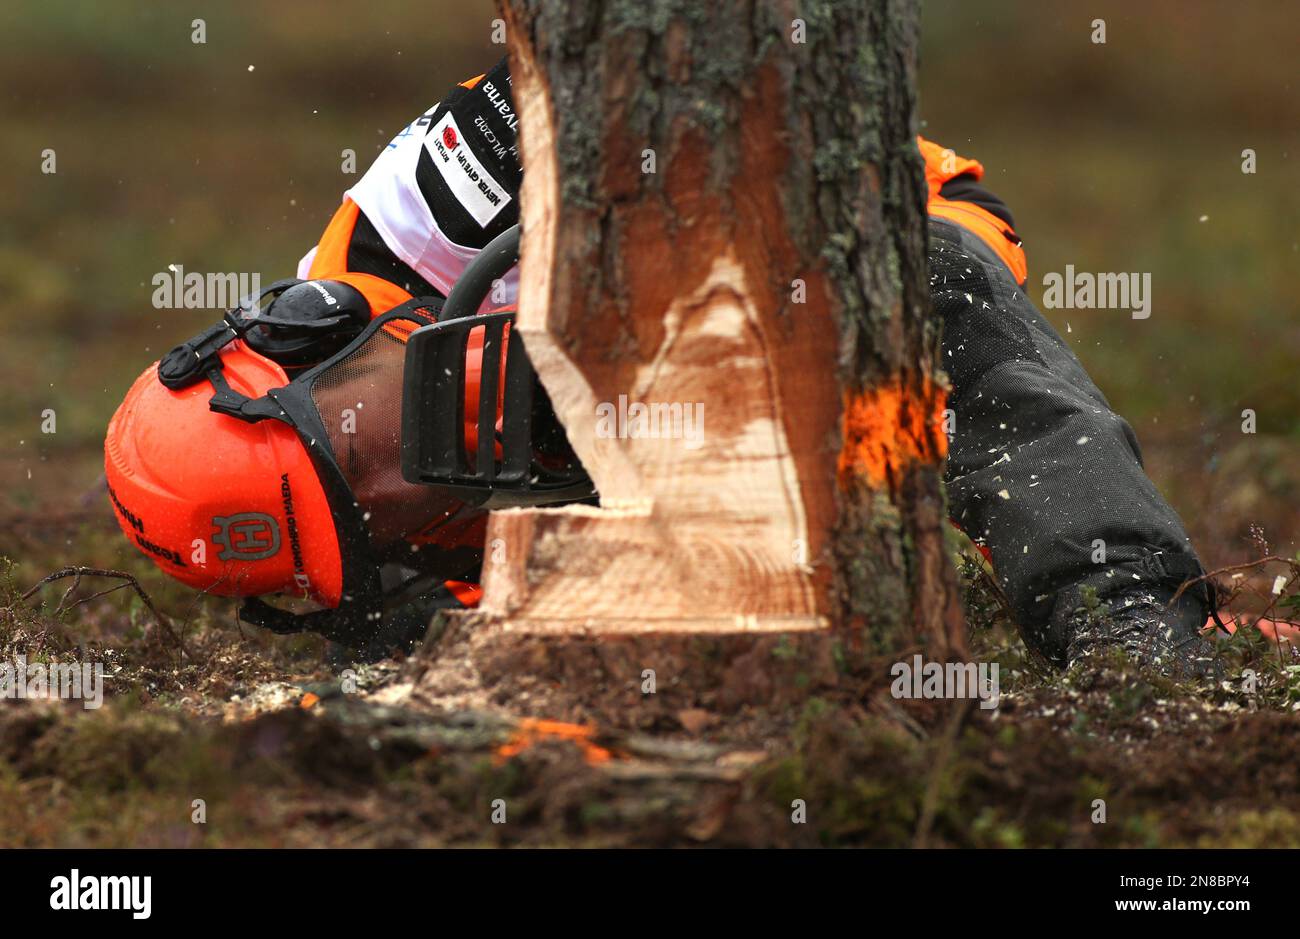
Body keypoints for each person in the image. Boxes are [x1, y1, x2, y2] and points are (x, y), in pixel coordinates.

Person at [103, 57, 1217, 672]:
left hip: (870, 216)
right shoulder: (421, 571)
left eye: (355, 453)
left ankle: (1120, 609)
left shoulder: (444, 198)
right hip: (696, 422)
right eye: (372, 522)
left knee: (910, 285)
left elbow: (722, 80)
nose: (410, 492)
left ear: (321, 330)